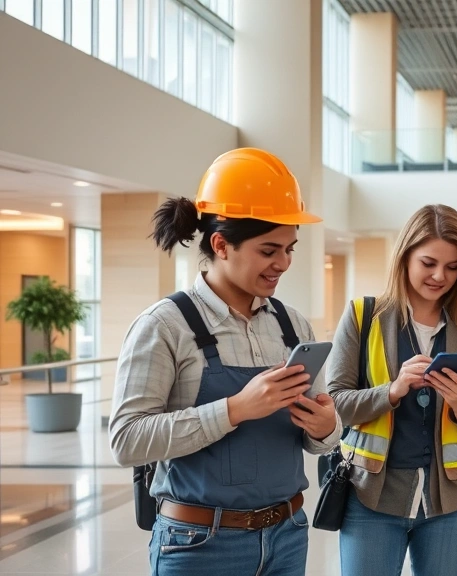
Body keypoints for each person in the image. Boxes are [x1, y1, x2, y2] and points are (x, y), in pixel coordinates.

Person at [108, 148, 342, 575]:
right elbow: (127, 439)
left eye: (290, 248)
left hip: (287, 536)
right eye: (269, 250)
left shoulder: (295, 327)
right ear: (221, 244)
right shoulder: (164, 326)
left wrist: (326, 428)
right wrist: (236, 409)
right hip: (198, 545)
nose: (284, 264)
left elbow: (320, 439)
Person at [327, 203, 457, 576]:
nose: (440, 276)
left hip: (452, 504)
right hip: (370, 497)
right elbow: (335, 405)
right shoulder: (363, 316)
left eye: (453, 267)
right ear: (405, 257)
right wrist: (392, 390)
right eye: (429, 263)